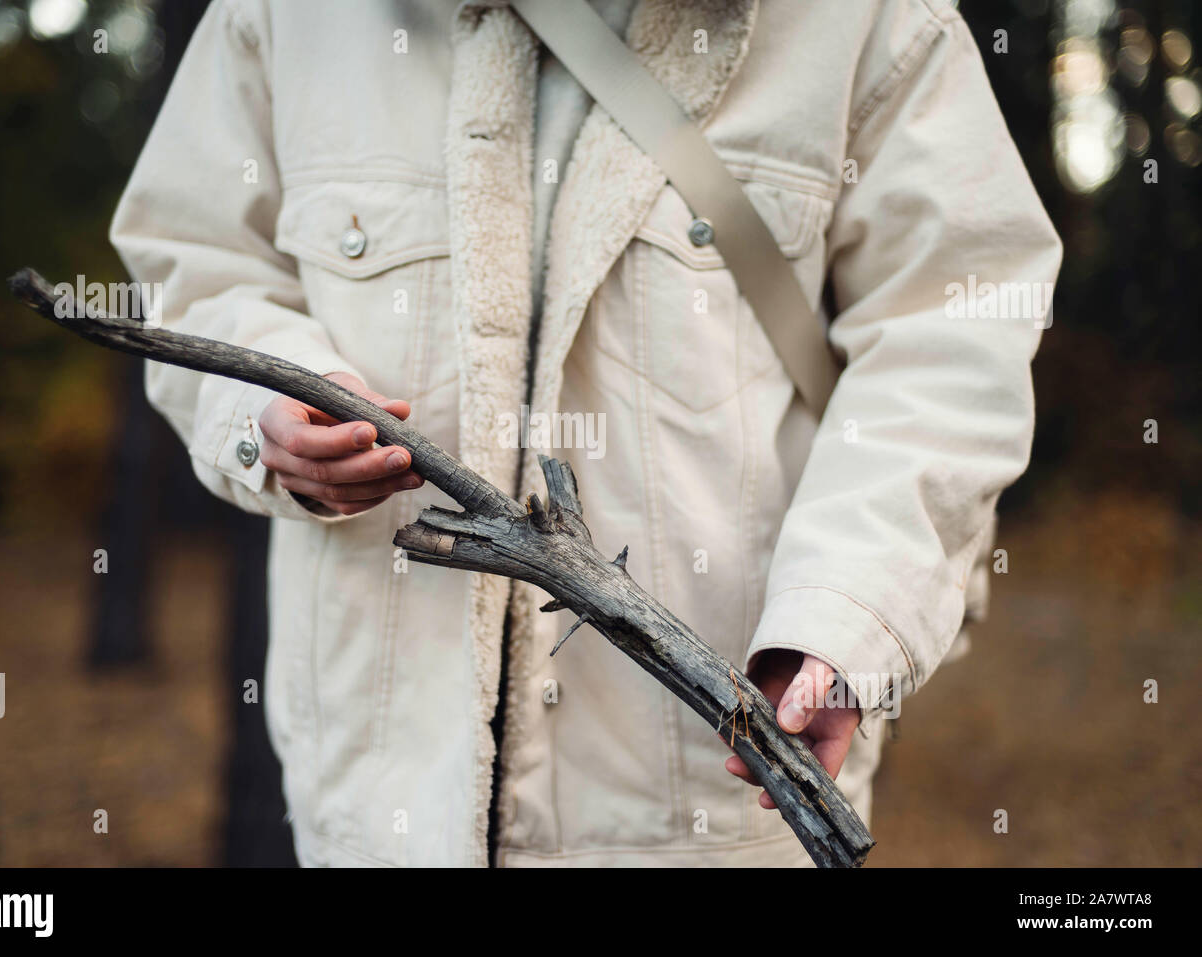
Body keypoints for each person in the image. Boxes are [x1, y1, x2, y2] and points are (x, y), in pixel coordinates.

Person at [111, 0, 1062, 866]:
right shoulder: (287, 18)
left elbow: (950, 331)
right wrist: (261, 412)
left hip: (717, 816)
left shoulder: (871, 24)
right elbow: (195, 259)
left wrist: (843, 618)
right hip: (372, 812)